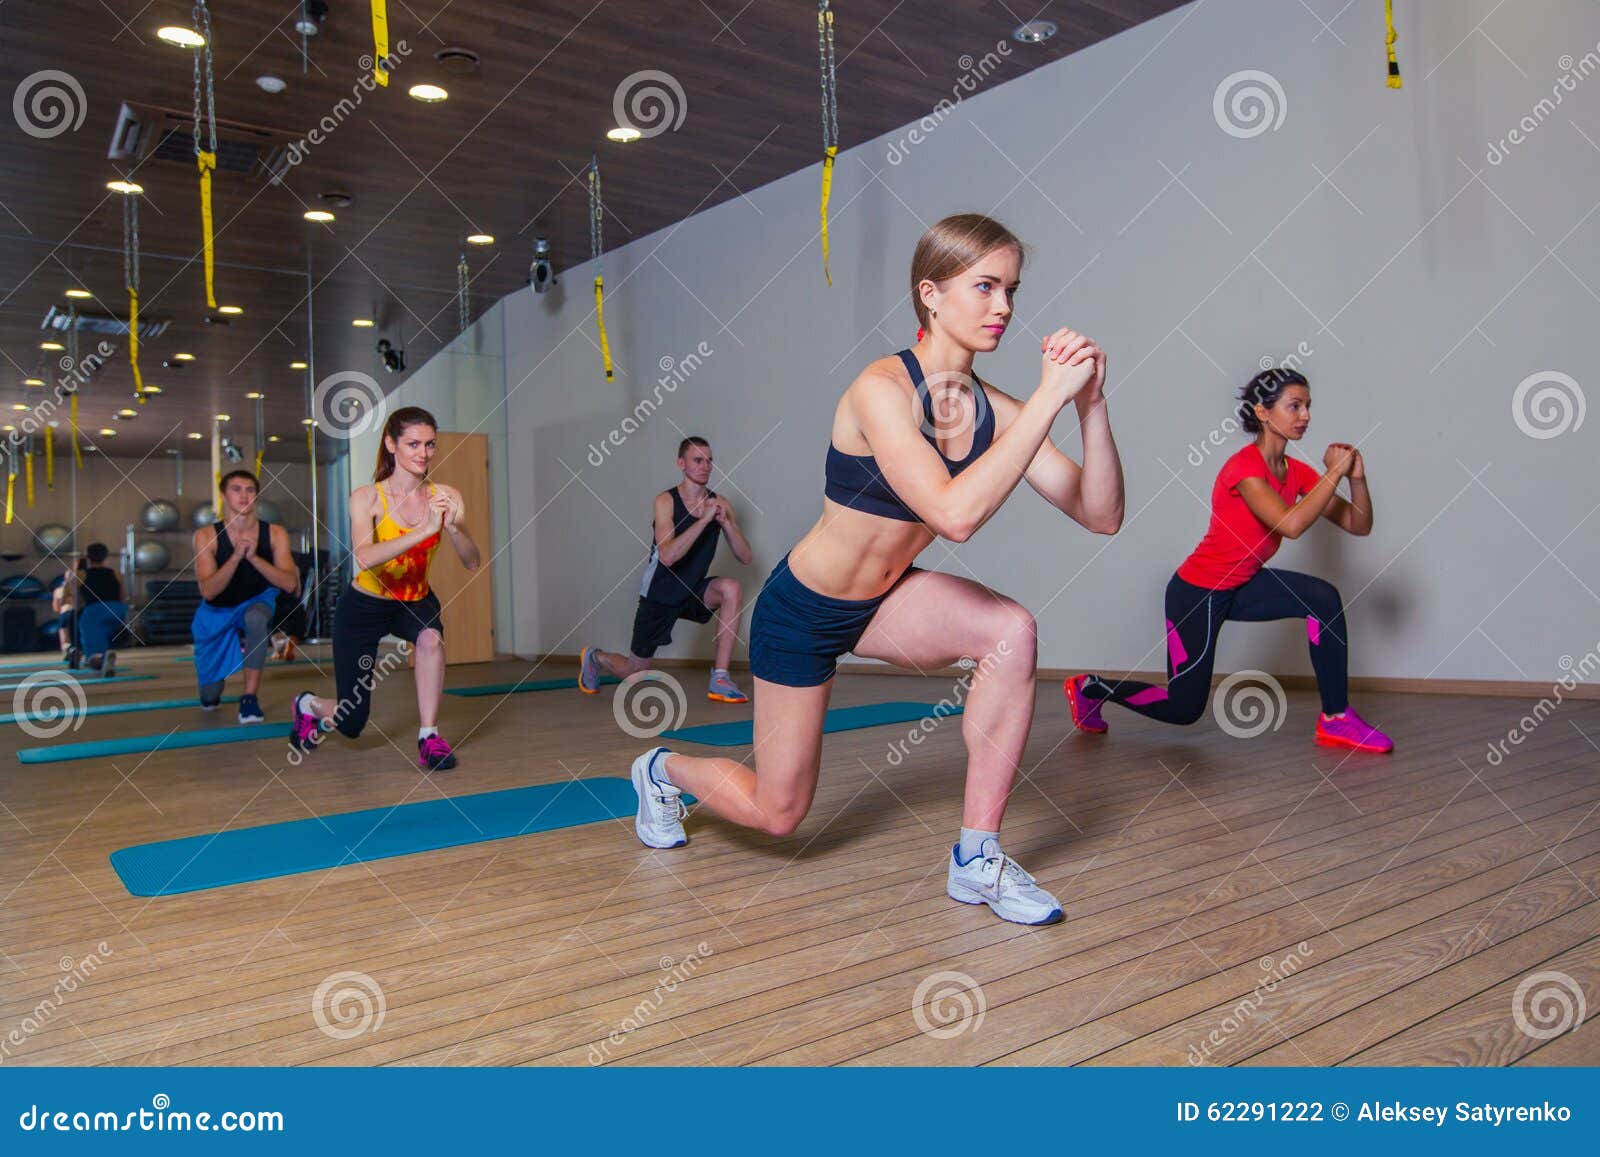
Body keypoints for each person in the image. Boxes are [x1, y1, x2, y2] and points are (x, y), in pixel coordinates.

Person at [626, 213, 1124, 926]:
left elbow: (1101, 514)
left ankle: (976, 857)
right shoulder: (880, 389)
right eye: (985, 287)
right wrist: (1047, 399)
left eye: (1011, 289)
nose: (1004, 307)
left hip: (886, 600)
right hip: (803, 610)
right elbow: (952, 515)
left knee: (1011, 631)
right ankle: (660, 770)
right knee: (779, 812)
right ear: (931, 293)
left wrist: (1090, 406)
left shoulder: (996, 409)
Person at [1064, 367, 1392, 753]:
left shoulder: (1296, 472)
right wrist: (1334, 472)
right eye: (1295, 406)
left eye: (1308, 406)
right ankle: (1091, 688)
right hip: (1198, 594)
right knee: (1184, 708)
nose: (1305, 415)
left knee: (1323, 598)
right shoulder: (1244, 469)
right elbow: (1290, 525)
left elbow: (1359, 524)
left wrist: (1356, 478)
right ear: (1263, 412)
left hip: (1243, 582)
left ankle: (1336, 718)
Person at [289, 407, 481, 771]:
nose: (423, 453)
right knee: (352, 722)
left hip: (415, 601)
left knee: (430, 639)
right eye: (413, 444)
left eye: (430, 444)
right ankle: (308, 705)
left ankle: (429, 736)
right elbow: (364, 557)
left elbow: (472, 562)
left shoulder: (447, 495)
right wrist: (425, 530)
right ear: (391, 445)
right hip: (365, 606)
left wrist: (454, 528)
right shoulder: (367, 498)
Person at [579, 436, 754, 704]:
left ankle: (720, 678)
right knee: (635, 673)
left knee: (731, 588)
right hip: (661, 592)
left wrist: (726, 524)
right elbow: (668, 556)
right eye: (698, 460)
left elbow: (745, 557)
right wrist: (703, 521)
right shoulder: (665, 501)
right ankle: (596, 657)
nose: (706, 466)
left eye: (709, 461)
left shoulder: (721, 503)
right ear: (681, 464)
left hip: (693, 590)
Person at [190, 469, 300, 723]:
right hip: (216, 611)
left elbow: (289, 583)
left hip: (256, 600)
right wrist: (236, 557)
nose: (244, 495)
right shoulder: (206, 536)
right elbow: (208, 591)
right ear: (223, 495)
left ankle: (249, 698)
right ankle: (211, 691)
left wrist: (254, 558)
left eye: (250, 490)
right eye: (236, 489)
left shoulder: (275, 533)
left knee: (256, 619)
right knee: (209, 697)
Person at [69, 543, 126, 677]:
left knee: (88, 629)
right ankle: (104, 656)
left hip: (96, 611)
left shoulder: (80, 574)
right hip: (118, 610)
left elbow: (76, 603)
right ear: (105, 557)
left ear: (87, 557)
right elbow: (123, 597)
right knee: (101, 632)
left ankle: (96, 660)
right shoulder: (117, 573)